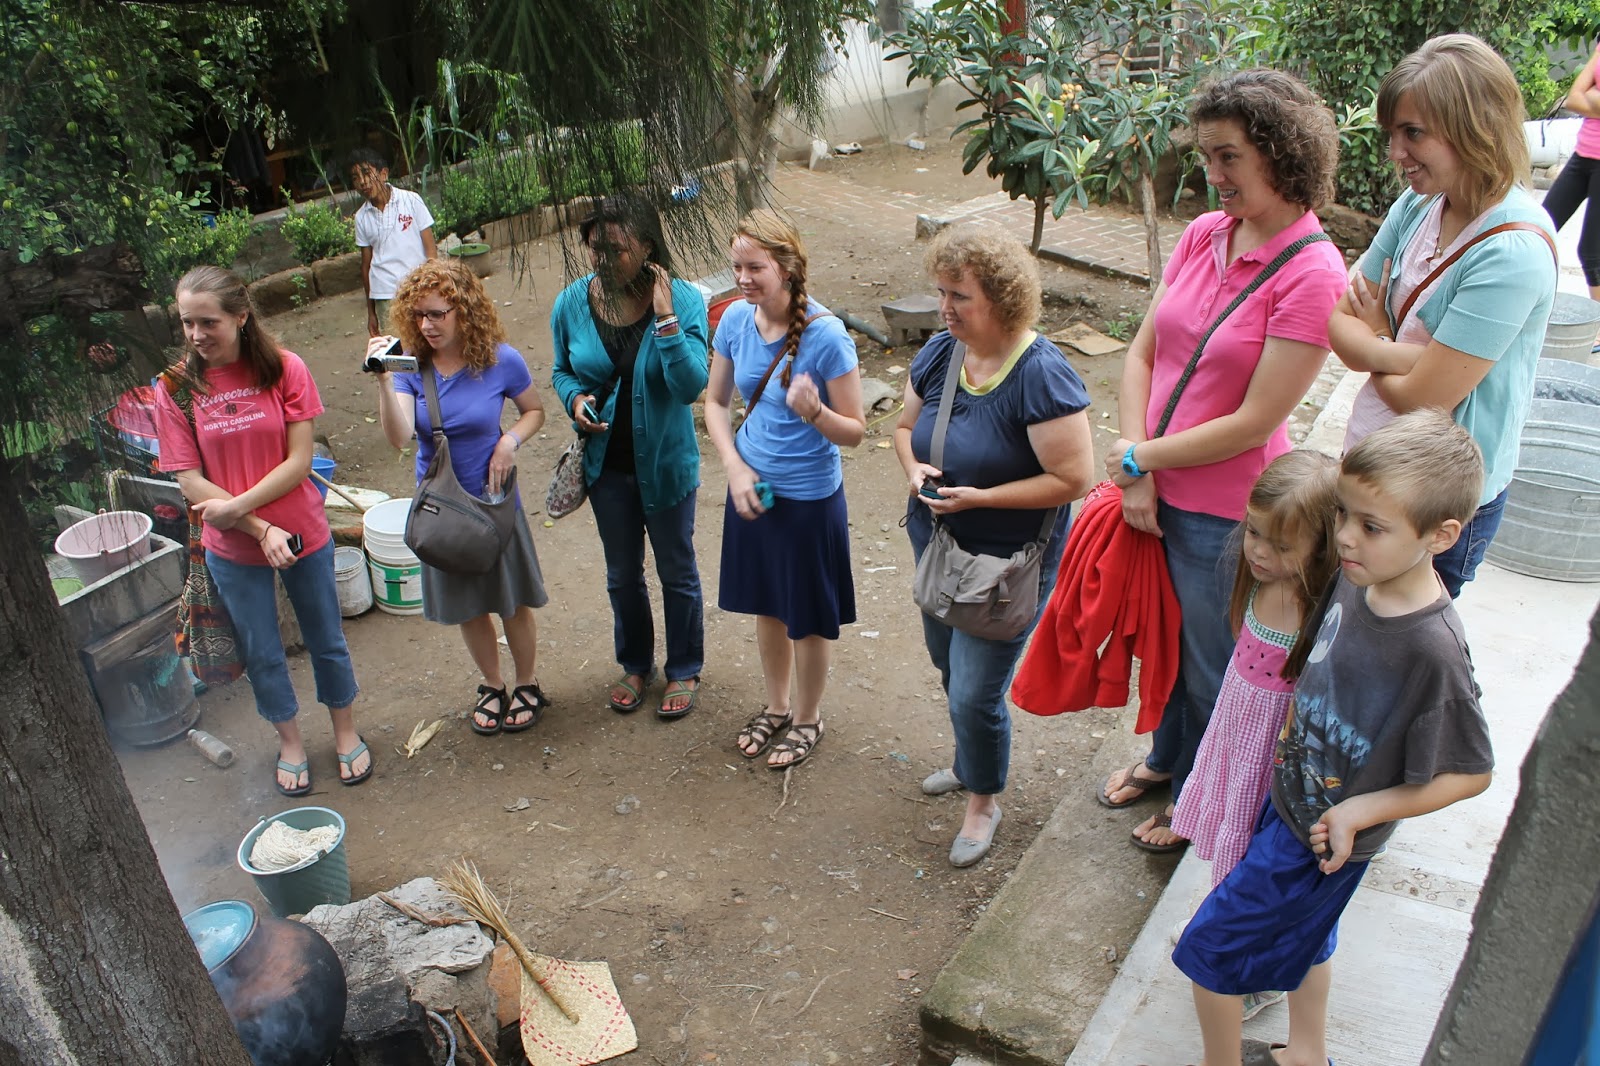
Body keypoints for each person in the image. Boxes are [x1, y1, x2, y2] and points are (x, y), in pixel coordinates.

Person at [1173, 409, 1494, 1066]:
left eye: (1369, 526)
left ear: (1441, 535)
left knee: (1208, 954)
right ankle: (1308, 1052)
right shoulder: (1359, 580)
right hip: (1288, 800)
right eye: (1343, 515)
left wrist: (1361, 810)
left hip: (1322, 836)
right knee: (1308, 938)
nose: (1343, 538)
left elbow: (1471, 772)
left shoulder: (1432, 649)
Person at [1100, 69, 1348, 853]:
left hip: (1224, 517)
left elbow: (1255, 422)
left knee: (1214, 667)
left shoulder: (1314, 271)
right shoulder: (1207, 233)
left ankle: (1201, 803)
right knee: (1163, 646)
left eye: (1230, 156)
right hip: (1154, 489)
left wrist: (1139, 454)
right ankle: (1170, 761)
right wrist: (1137, 471)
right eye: (1208, 155)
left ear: (1282, 152)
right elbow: (1143, 346)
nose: (1214, 175)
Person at [1329, 33, 1558, 599]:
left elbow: (1422, 402)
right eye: (1393, 133)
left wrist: (1377, 334)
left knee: (1401, 654)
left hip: (1437, 498)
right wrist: (1402, 354)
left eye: (1413, 134)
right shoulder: (1420, 202)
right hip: (1371, 467)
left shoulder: (1512, 251)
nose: (1395, 153)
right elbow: (1338, 321)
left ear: (1474, 127)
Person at [894, 225, 1095, 867]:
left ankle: (983, 799)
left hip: (1005, 566)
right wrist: (913, 470)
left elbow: (1074, 479)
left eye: (961, 296)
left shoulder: (1040, 373)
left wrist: (980, 498)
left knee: (975, 692)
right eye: (942, 292)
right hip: (939, 544)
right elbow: (902, 427)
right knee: (950, 666)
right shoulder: (941, 352)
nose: (945, 308)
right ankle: (968, 759)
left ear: (1003, 302)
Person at [154, 265, 370, 796]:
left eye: (209, 322)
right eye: (187, 323)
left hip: (301, 532)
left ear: (241, 316)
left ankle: (345, 732)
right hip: (234, 546)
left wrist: (252, 514)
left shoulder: (284, 369)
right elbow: (188, 479)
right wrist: (255, 527)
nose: (197, 335)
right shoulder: (176, 388)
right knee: (262, 650)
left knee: (326, 639)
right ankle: (291, 742)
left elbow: (300, 462)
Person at [1168, 449, 1339, 1020]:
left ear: (1323, 547)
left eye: (1282, 545)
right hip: (1236, 737)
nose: (1260, 553)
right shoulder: (1258, 582)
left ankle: (1255, 971)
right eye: (1254, 533)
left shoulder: (1325, 612)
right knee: (1234, 849)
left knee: (1255, 858)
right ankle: (1234, 935)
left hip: (1272, 757)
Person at [705, 210, 865, 770]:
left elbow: (856, 431)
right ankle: (775, 706)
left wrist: (816, 411)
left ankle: (806, 717)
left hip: (808, 497)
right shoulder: (734, 320)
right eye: (737, 266)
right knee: (767, 605)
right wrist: (733, 466)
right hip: (752, 487)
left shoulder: (826, 337)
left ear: (788, 268)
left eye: (755, 267)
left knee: (807, 614)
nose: (743, 278)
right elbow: (716, 403)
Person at [368, 258, 549, 735]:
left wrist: (509, 442)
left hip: (492, 501)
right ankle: (493, 685)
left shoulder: (499, 359)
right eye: (420, 314)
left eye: (438, 314)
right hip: (443, 505)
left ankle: (527, 683)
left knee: (511, 602)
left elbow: (534, 411)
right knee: (470, 605)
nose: (427, 325)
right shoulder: (409, 364)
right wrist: (386, 380)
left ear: (464, 311)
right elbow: (399, 435)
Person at [550, 195, 710, 719]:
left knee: (676, 570)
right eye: (595, 249)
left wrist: (664, 320)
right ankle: (635, 665)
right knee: (622, 574)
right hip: (606, 469)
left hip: (665, 466)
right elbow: (561, 370)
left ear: (647, 246)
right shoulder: (571, 303)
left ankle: (683, 668)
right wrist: (574, 399)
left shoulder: (683, 300)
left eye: (615, 250)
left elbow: (689, 386)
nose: (602, 260)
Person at [350, 147, 438, 338]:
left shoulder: (411, 201)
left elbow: (431, 250)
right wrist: (371, 312)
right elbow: (366, 266)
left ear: (383, 174)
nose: (362, 182)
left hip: (418, 287)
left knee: (428, 341)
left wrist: (431, 286)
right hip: (385, 295)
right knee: (399, 351)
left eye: (366, 173)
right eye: (356, 177)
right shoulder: (361, 218)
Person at [1543, 35, 1600, 301]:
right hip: (1583, 154)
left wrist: (1591, 96)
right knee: (1541, 229)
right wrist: (1586, 97)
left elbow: (1584, 96)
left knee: (1592, 252)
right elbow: (1574, 99)